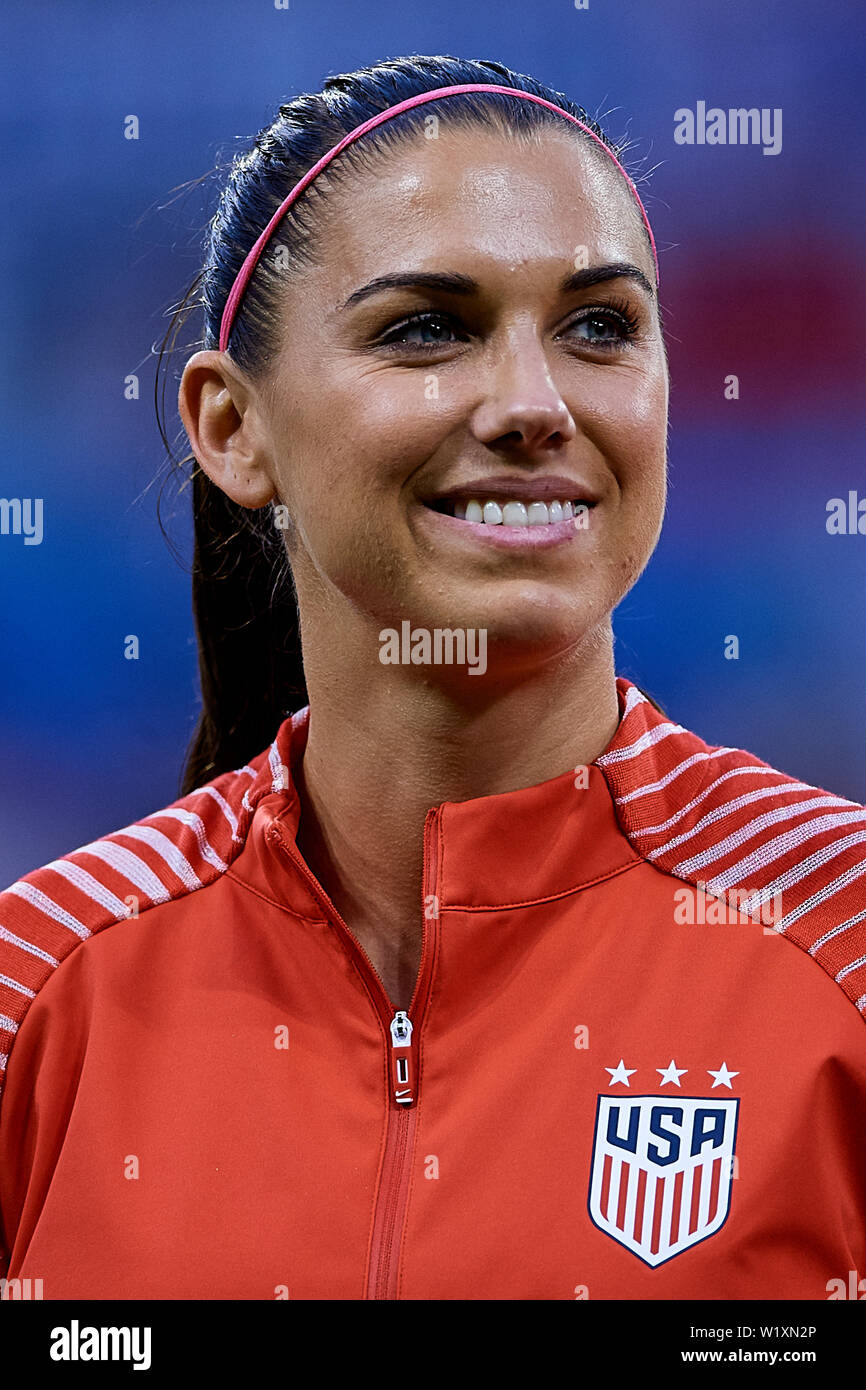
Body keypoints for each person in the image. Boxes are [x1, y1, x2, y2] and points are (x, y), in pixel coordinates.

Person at [0, 55, 864, 1301]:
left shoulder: (834, 926)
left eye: (598, 327)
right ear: (232, 429)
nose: (531, 403)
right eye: (425, 330)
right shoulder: (36, 988)